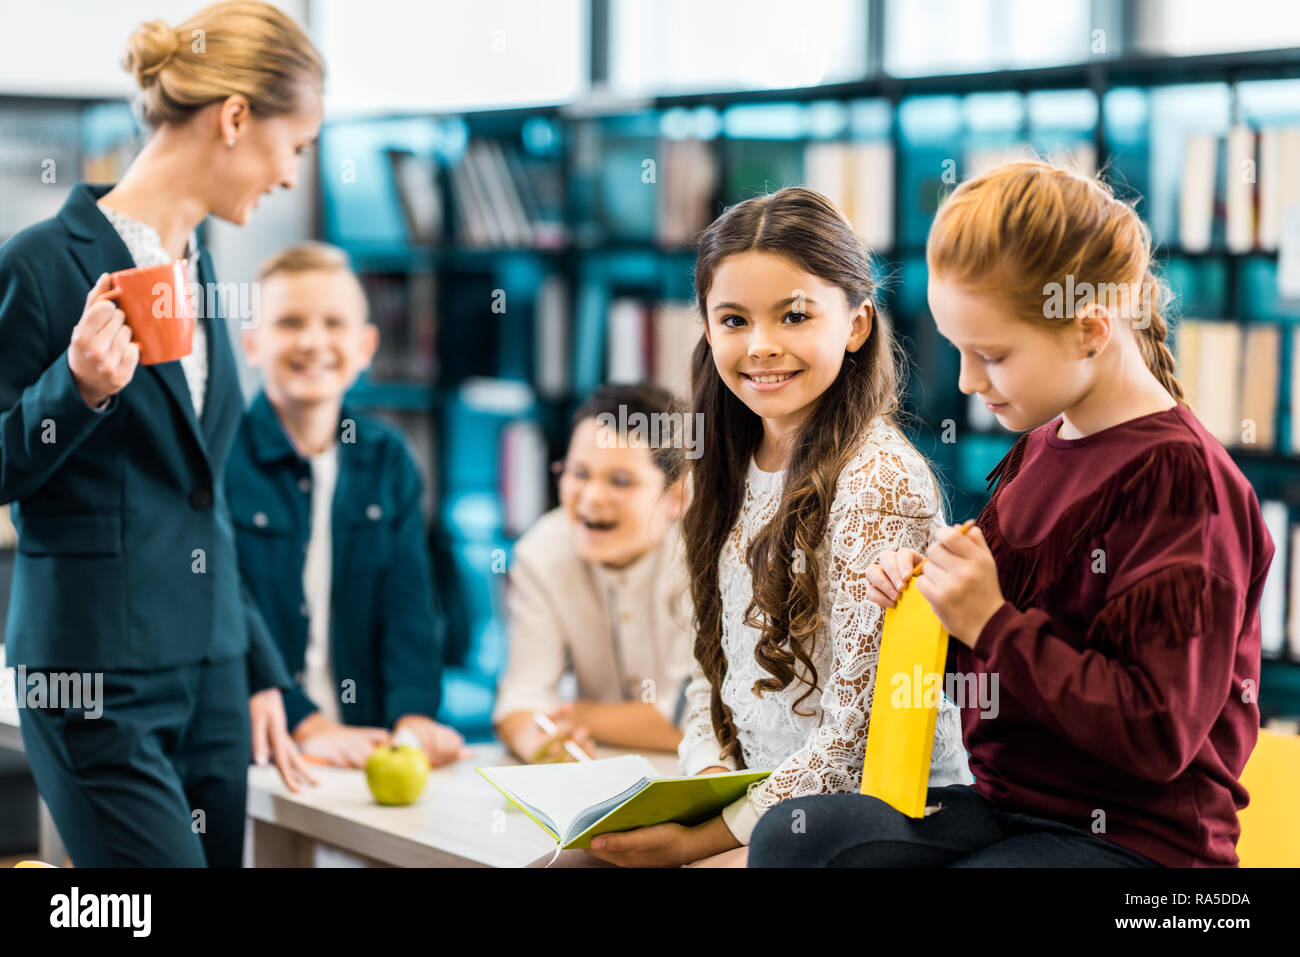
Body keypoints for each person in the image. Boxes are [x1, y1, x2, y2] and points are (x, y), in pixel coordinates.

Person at [749, 160, 1273, 868]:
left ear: (1090, 328)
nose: (967, 381)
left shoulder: (1185, 486)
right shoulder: (1039, 449)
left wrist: (988, 620)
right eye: (959, 350)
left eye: (991, 354)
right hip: (1010, 806)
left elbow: (1159, 730)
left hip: (1140, 842)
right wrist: (930, 597)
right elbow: (997, 654)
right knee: (796, 838)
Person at [0, 1, 324, 866]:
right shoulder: (39, 263)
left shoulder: (205, 271)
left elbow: (200, 498)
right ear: (234, 118)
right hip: (93, 678)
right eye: (295, 146)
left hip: (213, 675)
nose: (292, 176)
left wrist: (256, 664)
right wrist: (71, 392)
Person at [581, 188, 971, 868]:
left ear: (855, 325)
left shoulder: (878, 479)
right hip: (756, 806)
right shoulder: (724, 462)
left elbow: (854, 737)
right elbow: (711, 667)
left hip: (865, 821)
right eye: (733, 319)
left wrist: (701, 837)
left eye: (794, 315)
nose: (761, 346)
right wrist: (704, 779)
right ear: (705, 325)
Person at [227, 241, 467, 769]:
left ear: (366, 346)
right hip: (256, 749)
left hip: (369, 748)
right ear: (251, 344)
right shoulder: (218, 459)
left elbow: (411, 608)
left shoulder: (388, 459)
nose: (314, 342)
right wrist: (308, 725)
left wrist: (414, 717)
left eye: (334, 324)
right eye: (289, 323)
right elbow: (221, 610)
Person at [494, 384, 694, 763]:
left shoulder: (704, 558)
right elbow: (519, 701)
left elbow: (689, 720)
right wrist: (535, 743)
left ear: (676, 498)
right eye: (579, 473)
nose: (590, 498)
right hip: (593, 775)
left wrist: (563, 715)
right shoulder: (541, 552)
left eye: (621, 481)